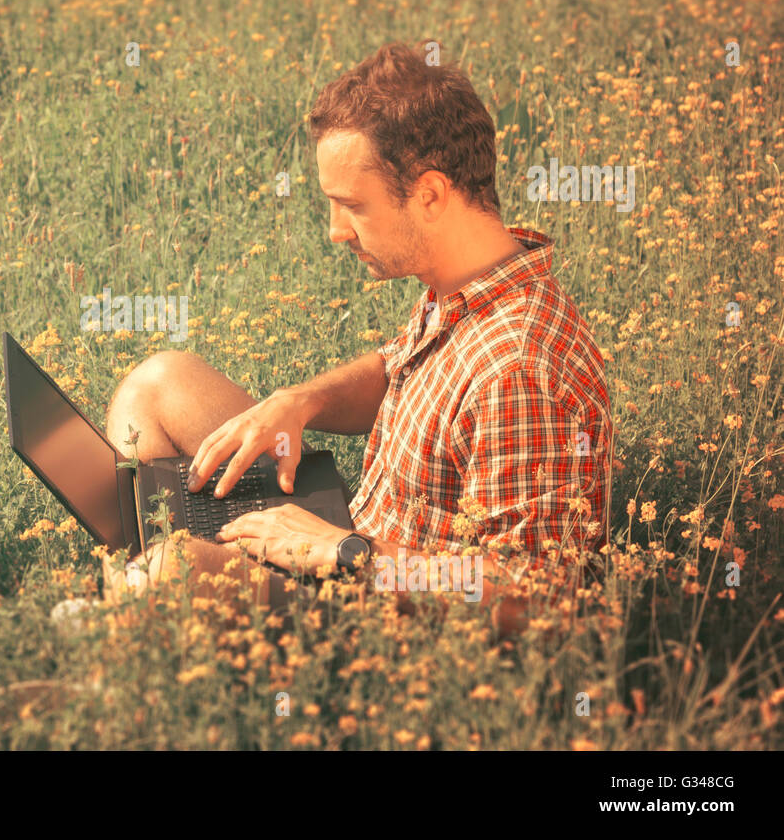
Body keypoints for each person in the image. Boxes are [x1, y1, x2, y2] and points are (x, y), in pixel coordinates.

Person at [99, 42, 612, 637]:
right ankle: (135, 606)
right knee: (160, 385)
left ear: (430, 194)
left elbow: (533, 599)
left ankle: (127, 625)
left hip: (381, 607)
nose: (336, 231)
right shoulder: (470, 282)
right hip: (344, 536)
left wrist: (343, 554)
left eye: (352, 206)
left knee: (173, 572)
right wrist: (302, 401)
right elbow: (401, 371)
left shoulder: (521, 367)